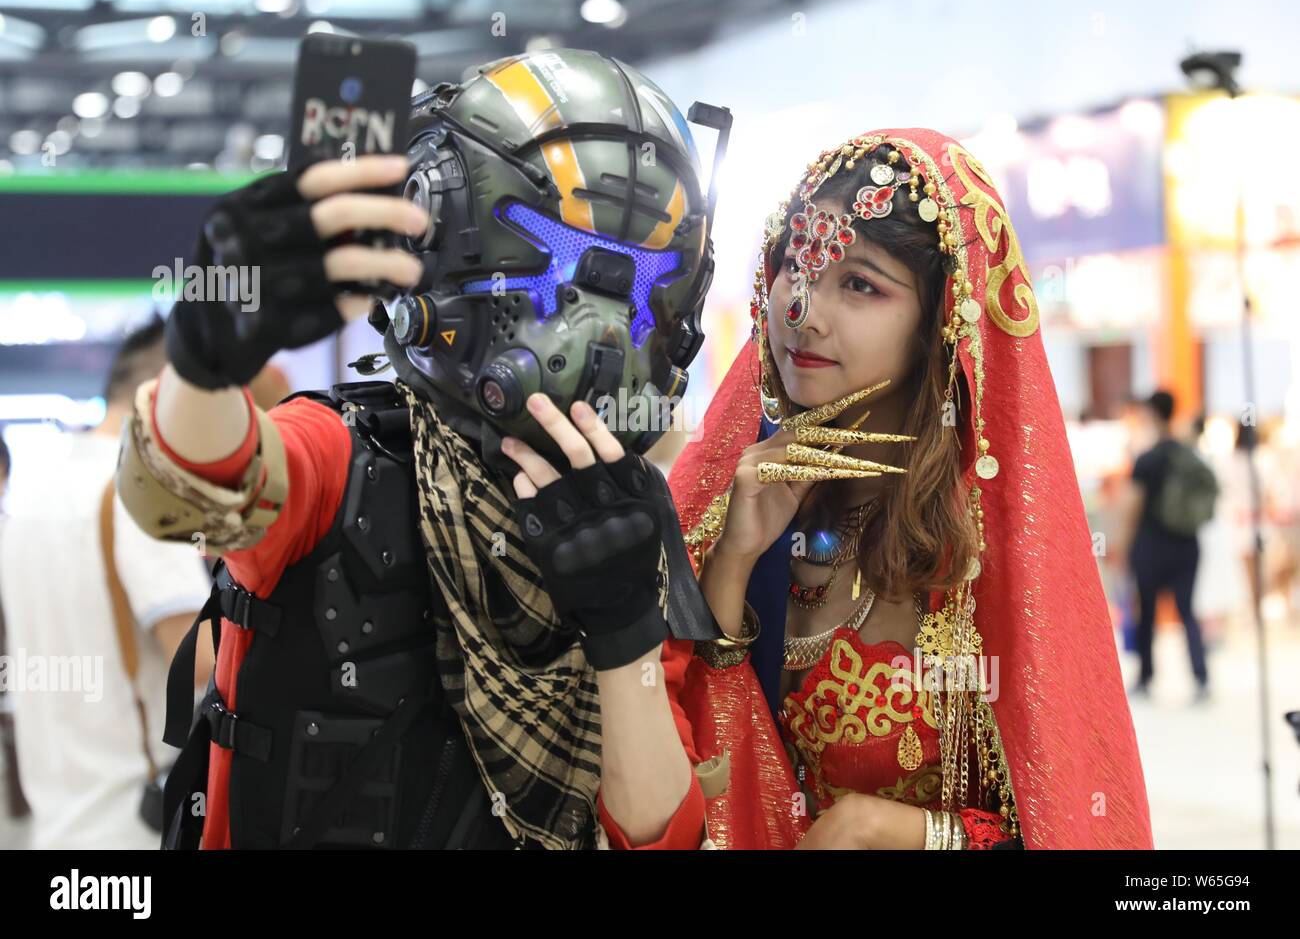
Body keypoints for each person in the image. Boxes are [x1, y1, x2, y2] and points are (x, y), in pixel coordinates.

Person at [117, 48, 725, 849]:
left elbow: (657, 834)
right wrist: (203, 356)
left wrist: (621, 631)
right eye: (553, 254)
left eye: (643, 282)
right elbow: (184, 488)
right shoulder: (344, 457)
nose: (602, 333)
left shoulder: (633, 529)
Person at [580, 128, 1155, 849]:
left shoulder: (995, 543)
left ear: (939, 323)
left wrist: (914, 832)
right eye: (797, 264)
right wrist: (731, 563)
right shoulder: (729, 496)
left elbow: (1071, 818)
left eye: (859, 284)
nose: (802, 311)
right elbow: (683, 788)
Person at [0, 317, 214, 849]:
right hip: (133, 827)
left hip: (55, 825)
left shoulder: (34, 490)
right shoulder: (140, 493)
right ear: (169, 392)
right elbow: (200, 661)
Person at [1123, 390, 1214, 701]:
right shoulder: (1187, 455)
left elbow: (1133, 505)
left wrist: (1122, 544)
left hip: (1151, 543)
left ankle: (1146, 678)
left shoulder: (1147, 459)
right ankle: (1201, 678)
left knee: (1146, 612)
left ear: (1151, 413)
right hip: (1187, 544)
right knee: (1187, 611)